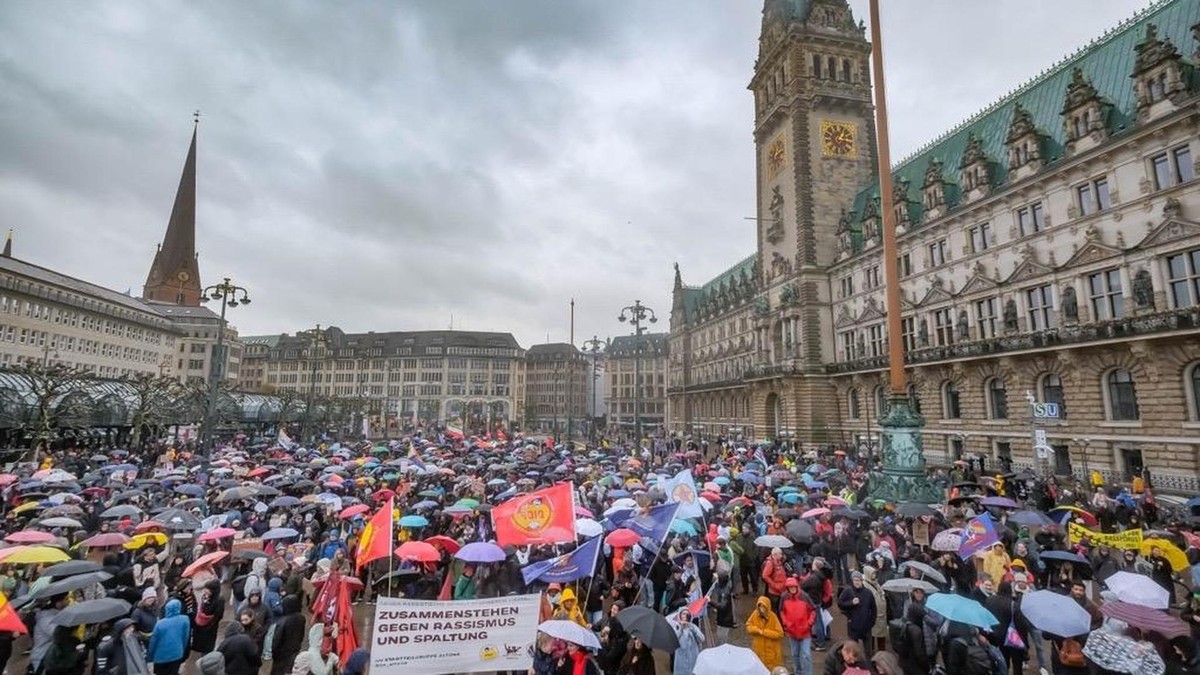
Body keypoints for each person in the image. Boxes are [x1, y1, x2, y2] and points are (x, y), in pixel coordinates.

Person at [780, 577, 815, 675]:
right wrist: (786, 622)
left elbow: (813, 610)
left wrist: (809, 623)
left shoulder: (805, 596)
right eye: (790, 588)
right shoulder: (784, 597)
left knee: (806, 654)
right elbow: (781, 611)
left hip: (805, 631)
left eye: (793, 587)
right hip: (792, 631)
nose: (792, 589)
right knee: (795, 654)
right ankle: (798, 672)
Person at [147, 598, 191, 675]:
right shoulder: (185, 619)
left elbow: (153, 642)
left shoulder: (160, 624)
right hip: (177, 654)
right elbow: (185, 637)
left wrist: (150, 656)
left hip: (161, 657)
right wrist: (181, 650)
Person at [837, 571, 877, 649]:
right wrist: (851, 602)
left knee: (868, 651)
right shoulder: (848, 591)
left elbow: (874, 609)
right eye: (855, 580)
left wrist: (871, 622)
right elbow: (840, 604)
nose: (856, 582)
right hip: (853, 626)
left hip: (866, 626)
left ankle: (868, 661)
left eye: (858, 580)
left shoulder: (868, 593)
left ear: (862, 581)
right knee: (853, 649)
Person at [747, 595, 785, 671]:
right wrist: (757, 630)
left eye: (764, 607)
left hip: (771, 652)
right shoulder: (755, 614)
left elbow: (780, 634)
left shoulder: (773, 617)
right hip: (759, 650)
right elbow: (749, 626)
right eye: (760, 607)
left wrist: (764, 632)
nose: (762, 609)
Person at [270, 595, 305, 675]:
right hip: (294, 650)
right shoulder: (301, 618)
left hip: (281, 654)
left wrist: (274, 653)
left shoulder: (283, 621)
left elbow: (276, 640)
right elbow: (301, 635)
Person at [192, 579, 225, 655]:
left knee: (208, 646)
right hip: (202, 624)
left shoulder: (219, 600)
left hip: (210, 627)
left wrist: (209, 625)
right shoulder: (206, 596)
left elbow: (218, 615)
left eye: (208, 589)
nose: (206, 591)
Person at [671, 609, 704, 675]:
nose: (685, 616)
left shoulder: (693, 627)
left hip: (693, 657)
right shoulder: (677, 627)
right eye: (683, 614)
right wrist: (681, 629)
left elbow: (702, 639)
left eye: (687, 614)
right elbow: (673, 641)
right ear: (680, 615)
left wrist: (692, 628)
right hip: (681, 659)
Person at [710, 569, 736, 642]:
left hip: (725, 619)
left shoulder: (726, 591)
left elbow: (723, 606)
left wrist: (711, 602)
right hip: (721, 618)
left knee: (722, 638)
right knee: (719, 636)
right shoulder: (721, 586)